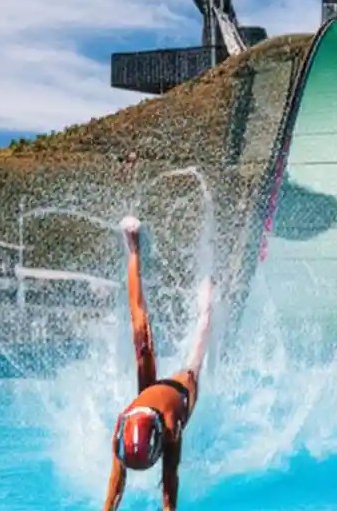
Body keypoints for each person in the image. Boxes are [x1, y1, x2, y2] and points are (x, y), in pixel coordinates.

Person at [102, 216, 214, 511]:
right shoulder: (122, 427)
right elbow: (114, 488)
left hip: (180, 388)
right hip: (148, 398)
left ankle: (208, 293)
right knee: (139, 325)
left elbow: (169, 485)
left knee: (202, 333)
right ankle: (134, 250)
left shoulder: (172, 427)